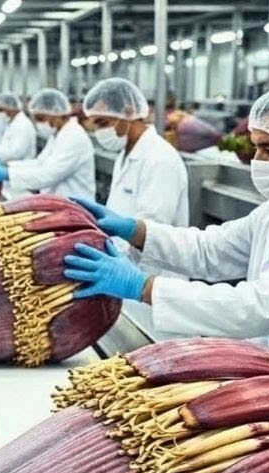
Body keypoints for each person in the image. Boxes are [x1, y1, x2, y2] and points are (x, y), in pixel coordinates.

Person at [62, 83, 269, 416]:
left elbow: (257, 306)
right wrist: (137, 231)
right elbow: (210, 250)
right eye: (256, 148)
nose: (257, 161)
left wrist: (142, 287)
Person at [82, 77, 189, 338]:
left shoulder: (159, 159)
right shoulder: (126, 154)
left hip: (155, 291)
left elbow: (153, 232)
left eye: (103, 123)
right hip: (127, 287)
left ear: (128, 113)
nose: (98, 132)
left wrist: (114, 264)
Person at [0, 87, 95, 200]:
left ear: (57, 114)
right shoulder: (58, 134)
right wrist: (9, 168)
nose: (37, 124)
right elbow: (41, 162)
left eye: (41, 118)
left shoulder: (73, 137)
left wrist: (7, 173)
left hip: (74, 203)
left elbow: (49, 175)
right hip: (57, 199)